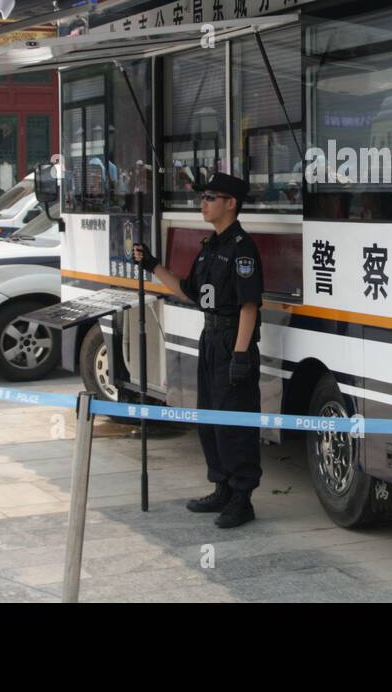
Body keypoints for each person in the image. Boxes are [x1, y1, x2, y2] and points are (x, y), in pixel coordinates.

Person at [133, 172, 264, 528]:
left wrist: (239, 354)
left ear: (231, 203)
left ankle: (242, 497)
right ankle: (221, 485)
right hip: (210, 339)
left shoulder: (241, 248)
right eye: (203, 197)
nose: (203, 204)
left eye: (210, 197)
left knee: (233, 421)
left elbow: (249, 305)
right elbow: (188, 290)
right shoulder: (211, 247)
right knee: (209, 417)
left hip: (232, 340)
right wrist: (152, 265)